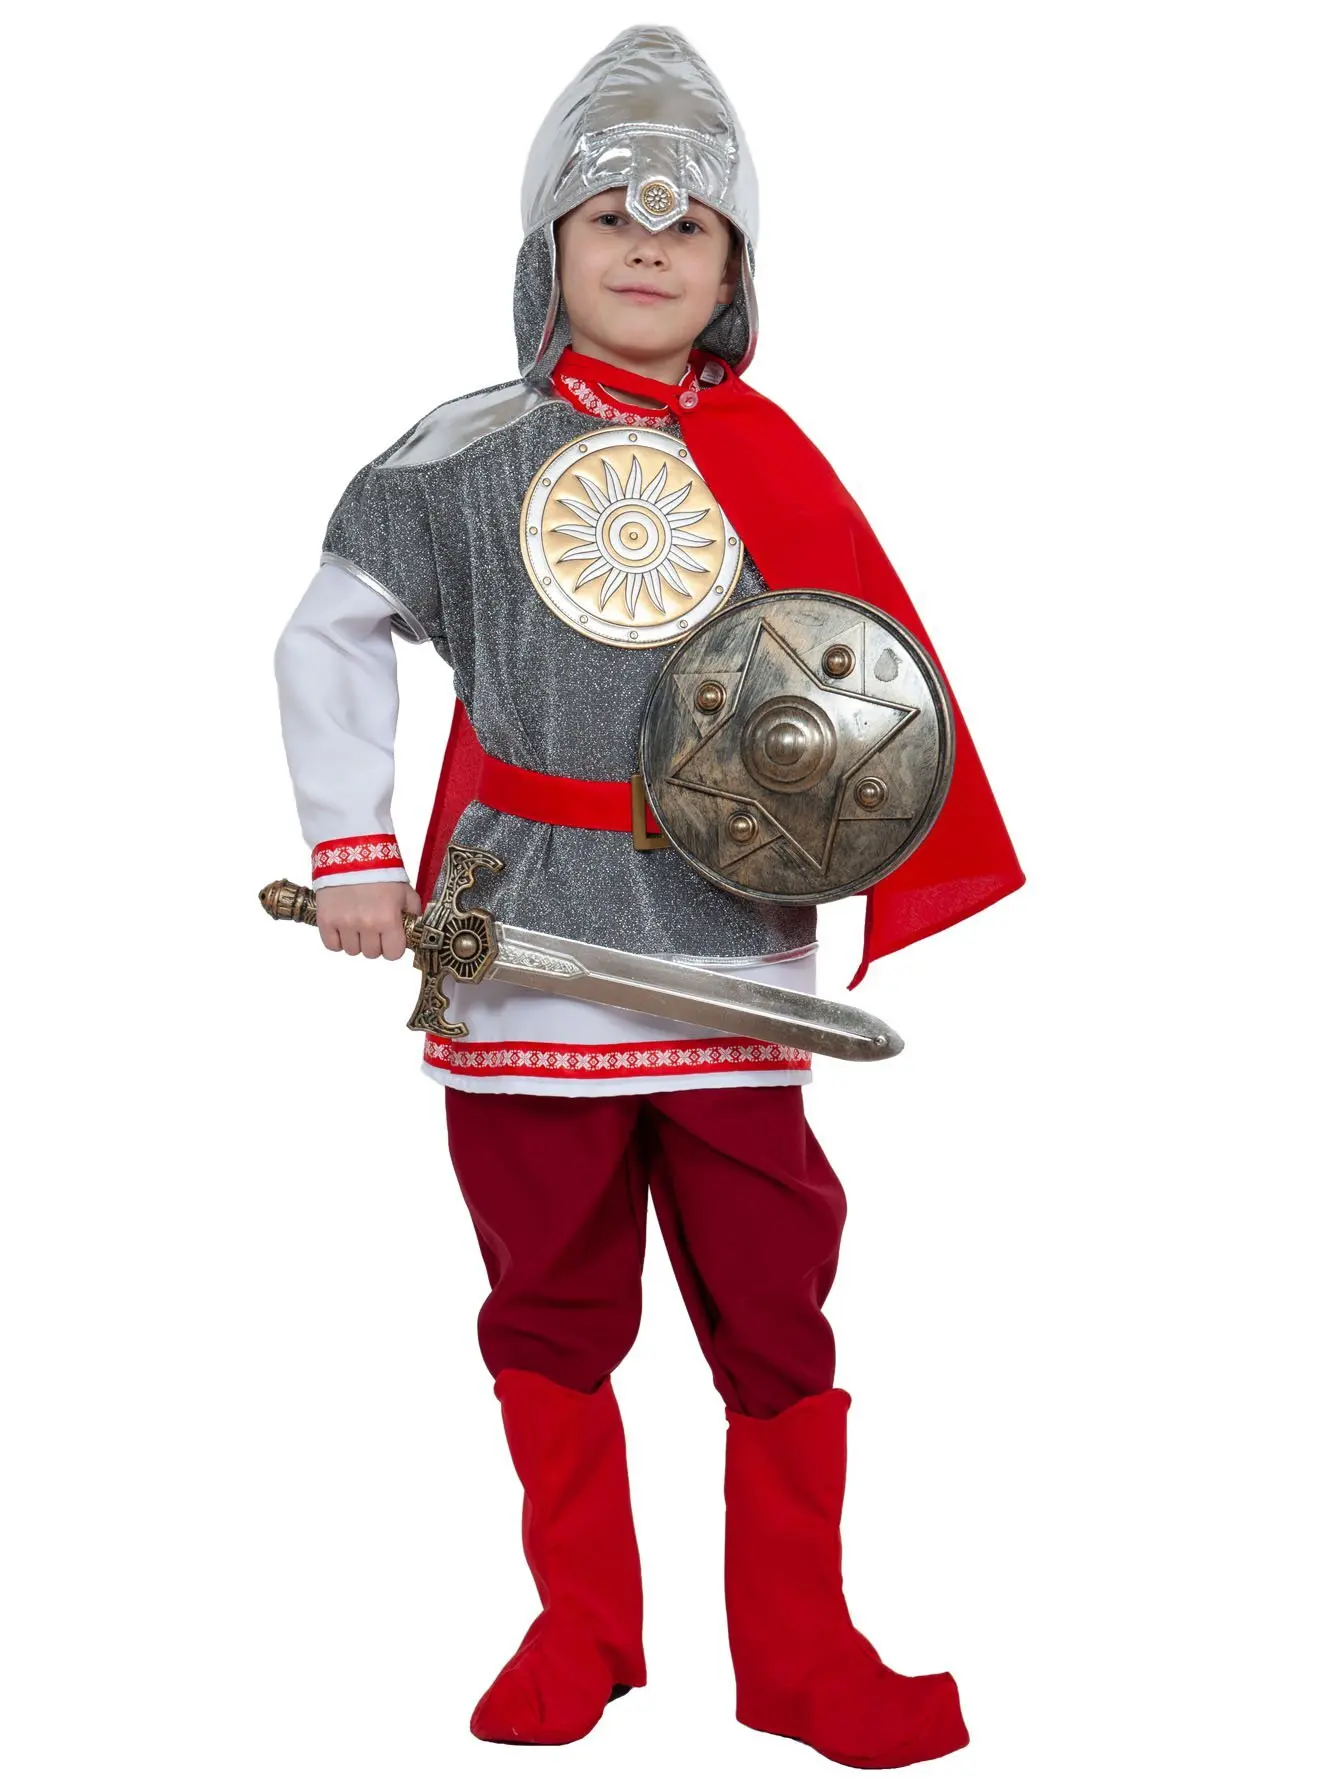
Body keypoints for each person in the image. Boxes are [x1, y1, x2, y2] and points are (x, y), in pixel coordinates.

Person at [274, 23, 1023, 1769]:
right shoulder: (455, 457)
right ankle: (582, 1629)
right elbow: (327, 637)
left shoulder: (772, 461)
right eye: (607, 218)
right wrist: (355, 854)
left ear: (734, 271)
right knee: (547, 1297)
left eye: (686, 229)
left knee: (773, 1298)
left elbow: (856, 701)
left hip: (727, 945)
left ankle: (803, 1655)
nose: (643, 249)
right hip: (519, 940)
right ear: (546, 248)